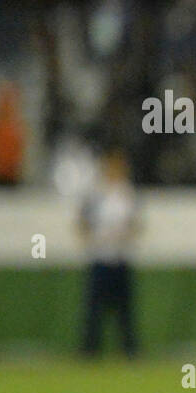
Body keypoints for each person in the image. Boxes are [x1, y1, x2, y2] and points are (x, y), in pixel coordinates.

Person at [78, 146, 140, 357]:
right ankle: (90, 350)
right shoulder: (96, 193)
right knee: (94, 309)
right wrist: (95, 238)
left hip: (121, 258)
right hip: (100, 258)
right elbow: (82, 222)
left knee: (125, 310)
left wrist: (124, 235)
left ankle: (129, 350)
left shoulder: (127, 193)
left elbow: (135, 223)